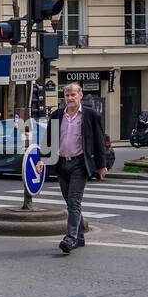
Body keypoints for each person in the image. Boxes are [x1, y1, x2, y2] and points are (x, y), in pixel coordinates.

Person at [47, 82, 108, 254]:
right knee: (70, 202)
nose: (70, 98)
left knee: (74, 201)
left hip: (79, 164)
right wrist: (41, 161)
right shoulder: (57, 115)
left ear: (80, 95)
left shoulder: (91, 115)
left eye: (73, 95)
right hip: (61, 163)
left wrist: (101, 166)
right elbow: (48, 141)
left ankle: (70, 238)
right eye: (67, 95)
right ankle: (80, 237)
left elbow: (99, 141)